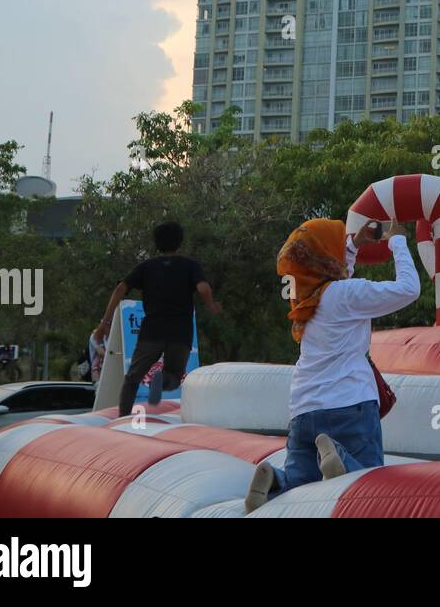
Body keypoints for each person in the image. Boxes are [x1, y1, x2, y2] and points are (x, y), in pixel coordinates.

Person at [245, 217, 420, 512]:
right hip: (350, 403)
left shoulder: (303, 299)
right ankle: (341, 457)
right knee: (367, 483)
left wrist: (353, 246)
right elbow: (408, 289)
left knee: (300, 488)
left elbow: (334, 280)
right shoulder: (347, 295)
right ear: (326, 256)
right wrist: (397, 241)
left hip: (304, 408)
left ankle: (276, 481)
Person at [95, 220, 221, 417]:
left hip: (151, 332)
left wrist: (104, 323)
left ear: (156, 243)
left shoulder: (146, 267)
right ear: (180, 242)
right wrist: (211, 305)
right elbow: (203, 288)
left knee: (133, 378)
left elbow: (120, 289)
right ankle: (161, 380)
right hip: (179, 333)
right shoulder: (190, 265)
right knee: (174, 378)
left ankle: (123, 418)